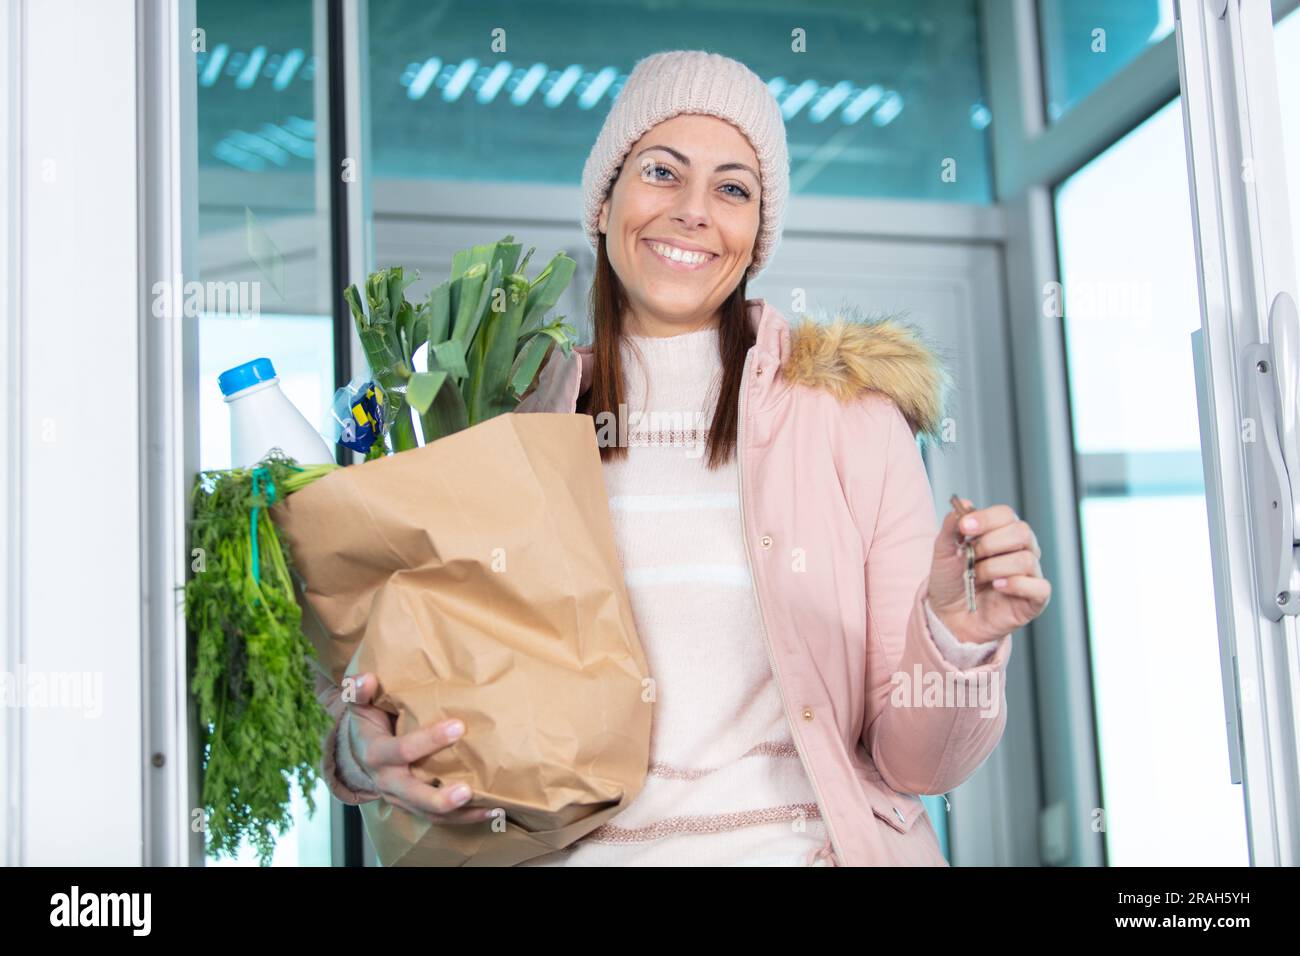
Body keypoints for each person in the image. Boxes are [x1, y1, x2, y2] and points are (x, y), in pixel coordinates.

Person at [314, 49, 1051, 866]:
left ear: (755, 234)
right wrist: (361, 748)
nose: (695, 210)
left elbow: (918, 765)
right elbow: (398, 667)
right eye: (662, 172)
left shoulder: (852, 423)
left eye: (733, 188)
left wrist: (954, 637)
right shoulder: (512, 417)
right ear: (604, 202)